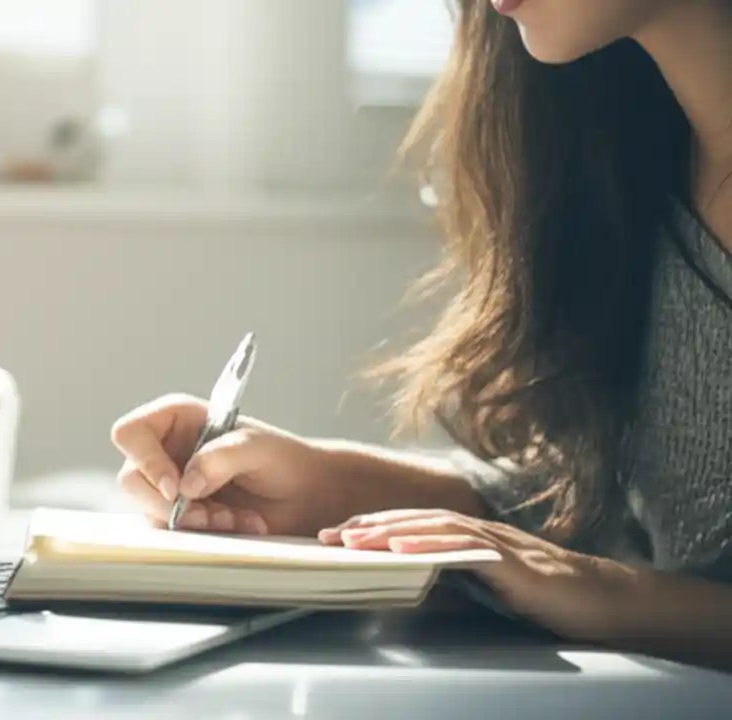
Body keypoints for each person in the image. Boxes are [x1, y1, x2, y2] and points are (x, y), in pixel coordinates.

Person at [113, 0, 732, 670]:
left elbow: (607, 570)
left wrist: (612, 593)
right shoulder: (634, 147)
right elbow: (608, 500)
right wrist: (328, 487)